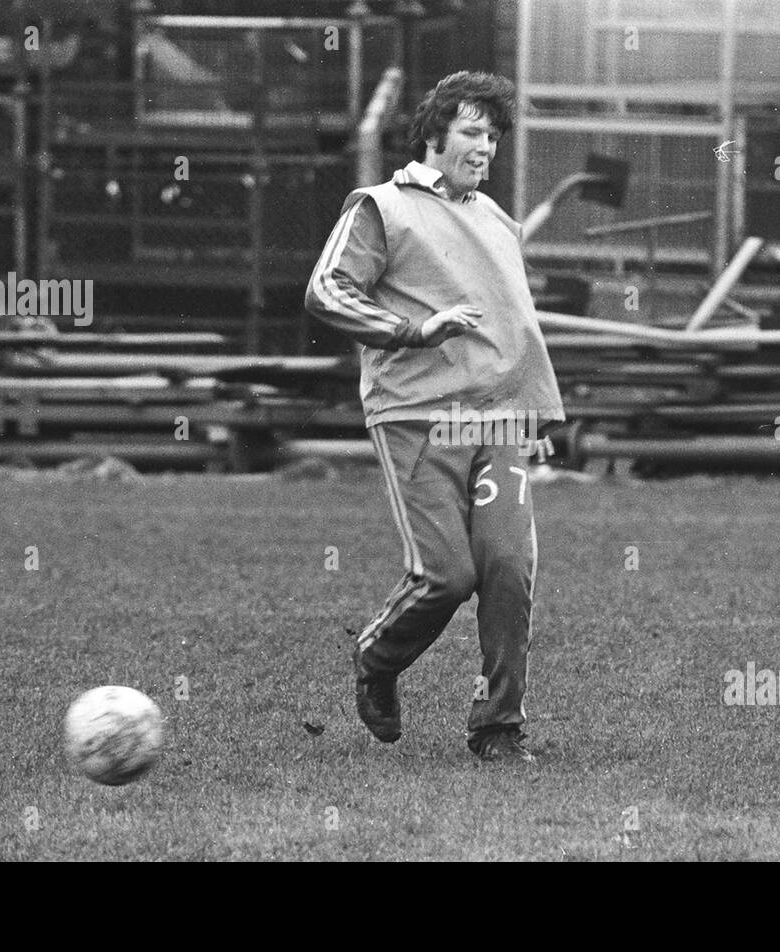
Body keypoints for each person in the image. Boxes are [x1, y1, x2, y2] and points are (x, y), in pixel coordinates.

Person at [304, 71, 565, 763]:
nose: (486, 147)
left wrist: (540, 405)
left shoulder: (497, 221)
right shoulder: (381, 207)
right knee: (446, 575)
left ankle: (497, 726)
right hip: (417, 417)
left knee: (508, 568)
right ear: (435, 132)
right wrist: (414, 330)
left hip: (499, 420)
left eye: (495, 136)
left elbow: (513, 325)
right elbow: (327, 291)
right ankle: (377, 659)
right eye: (474, 131)